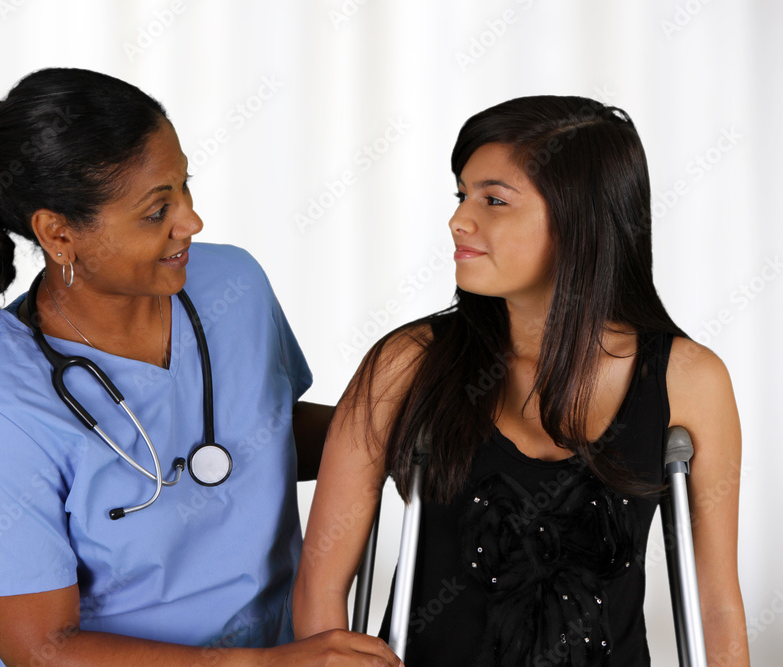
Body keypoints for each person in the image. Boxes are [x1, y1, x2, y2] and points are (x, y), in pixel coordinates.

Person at [0, 67, 401, 666]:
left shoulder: (233, 284)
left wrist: (403, 428)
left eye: (184, 186)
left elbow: (262, 432)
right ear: (58, 234)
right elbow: (41, 650)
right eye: (156, 210)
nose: (191, 221)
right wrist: (265, 665)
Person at [293, 96, 749, 666]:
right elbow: (320, 585)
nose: (459, 220)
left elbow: (716, 608)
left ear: (579, 220)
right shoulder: (406, 364)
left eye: (493, 200)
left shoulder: (689, 379)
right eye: (461, 195)